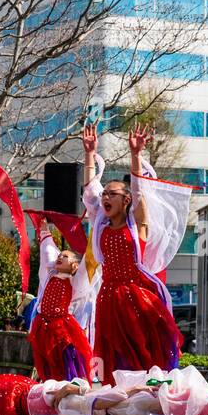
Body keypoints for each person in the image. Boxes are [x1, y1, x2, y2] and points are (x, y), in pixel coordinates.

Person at [81, 123, 192, 382]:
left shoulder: (137, 224)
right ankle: (118, 401)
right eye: (104, 193)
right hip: (108, 296)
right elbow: (89, 192)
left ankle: (147, 394)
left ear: (126, 200)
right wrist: (89, 154)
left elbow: (140, 190)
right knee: (113, 357)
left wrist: (135, 155)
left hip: (136, 294)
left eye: (112, 193)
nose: (105, 197)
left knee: (142, 352)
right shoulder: (100, 224)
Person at [27, 214, 95, 382]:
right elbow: (47, 251)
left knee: (65, 357)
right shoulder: (49, 275)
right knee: (46, 359)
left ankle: (69, 385)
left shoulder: (75, 282)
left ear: (74, 265)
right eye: (60, 255)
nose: (59, 257)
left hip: (62, 326)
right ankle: (50, 386)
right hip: (43, 325)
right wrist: (44, 230)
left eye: (65, 256)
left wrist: (97, 229)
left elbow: (89, 263)